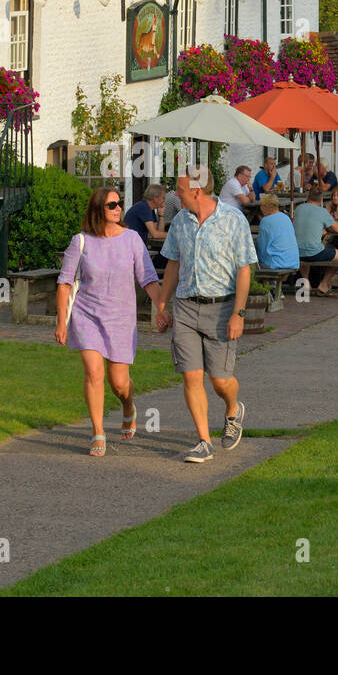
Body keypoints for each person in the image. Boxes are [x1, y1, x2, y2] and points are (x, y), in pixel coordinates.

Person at [156, 168, 257, 463]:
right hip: (186, 306)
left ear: (197, 191)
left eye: (181, 188)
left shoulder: (232, 219)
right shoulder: (180, 222)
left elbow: (244, 269)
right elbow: (173, 264)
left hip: (222, 308)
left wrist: (238, 313)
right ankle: (203, 441)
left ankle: (233, 409)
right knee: (191, 375)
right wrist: (162, 305)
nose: (176, 193)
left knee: (220, 380)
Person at [56, 187, 162, 458]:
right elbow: (65, 282)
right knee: (93, 373)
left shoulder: (132, 239)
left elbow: (148, 278)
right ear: (97, 210)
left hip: (121, 320)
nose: (118, 208)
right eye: (112, 205)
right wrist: (61, 323)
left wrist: (162, 308)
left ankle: (128, 407)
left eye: (119, 204)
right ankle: (98, 432)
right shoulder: (80, 241)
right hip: (87, 315)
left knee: (119, 383)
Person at [294, 184, 338, 297]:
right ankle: (324, 283)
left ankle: (306, 283)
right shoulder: (322, 211)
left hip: (296, 252)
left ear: (307, 197)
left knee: (304, 249)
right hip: (314, 252)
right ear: (321, 199)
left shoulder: (298, 209)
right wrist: (326, 228)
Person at [124, 183, 167, 270]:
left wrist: (161, 215)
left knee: (163, 256)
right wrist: (174, 234)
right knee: (166, 257)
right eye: (163, 198)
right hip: (130, 250)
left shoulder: (148, 209)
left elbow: (158, 232)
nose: (164, 201)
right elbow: (155, 234)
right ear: (155, 198)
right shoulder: (143, 207)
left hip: (137, 247)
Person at [254, 192, 299, 272]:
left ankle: (269, 283)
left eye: (261, 206)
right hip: (293, 261)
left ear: (266, 207)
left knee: (252, 265)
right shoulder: (286, 217)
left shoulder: (266, 221)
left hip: (277, 263)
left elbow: (262, 246)